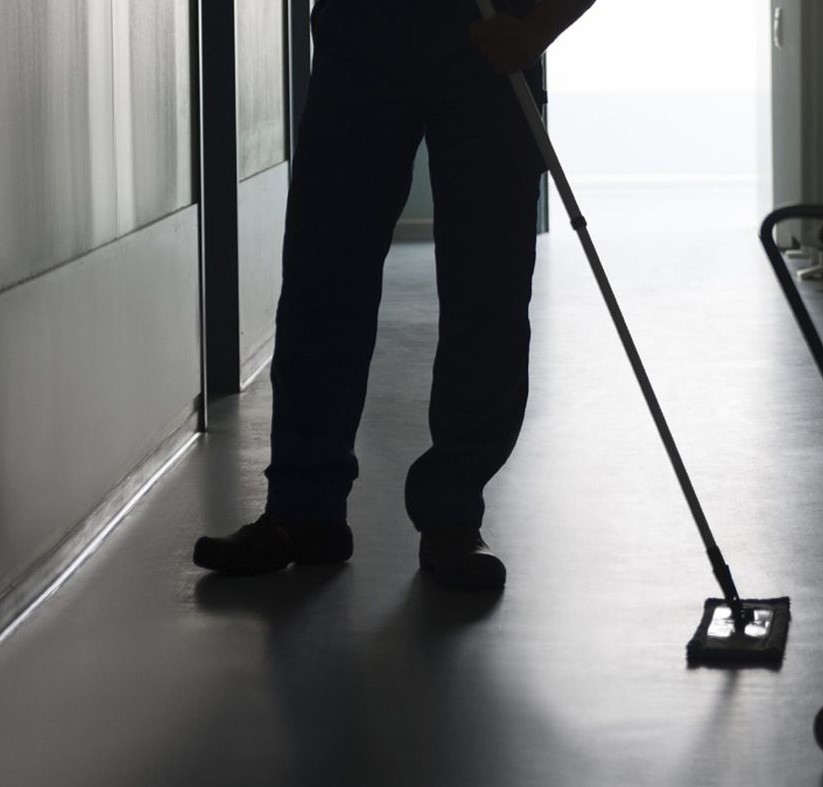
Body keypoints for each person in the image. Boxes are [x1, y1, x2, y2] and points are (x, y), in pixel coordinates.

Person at [193, 0, 596, 589]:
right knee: (322, 278)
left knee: (487, 288)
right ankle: (305, 512)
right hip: (361, 33)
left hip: (488, 36)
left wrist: (538, 29)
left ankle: (453, 515)